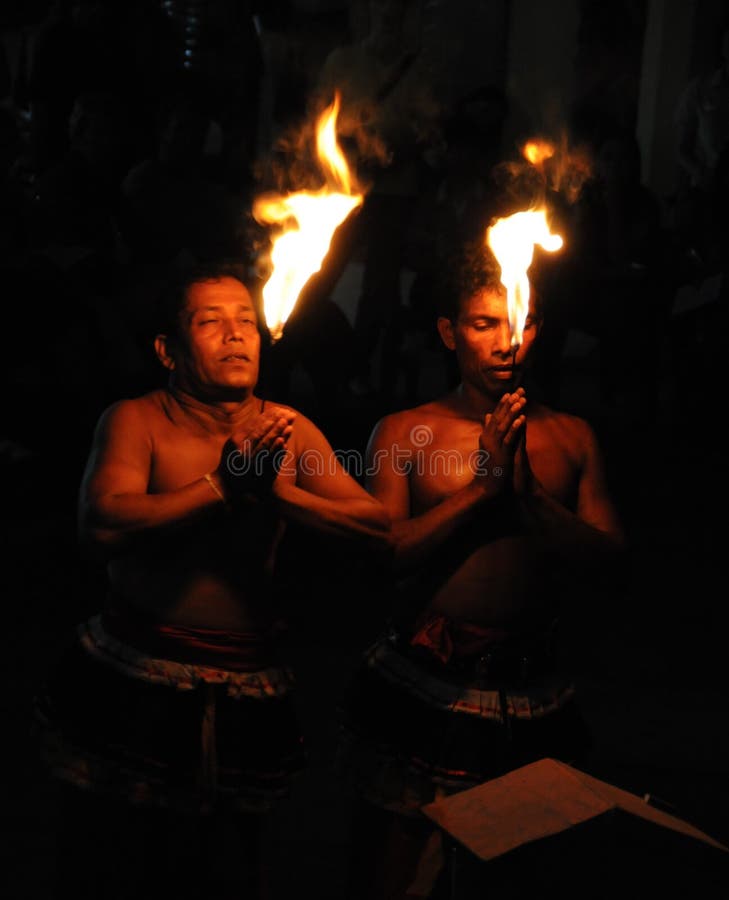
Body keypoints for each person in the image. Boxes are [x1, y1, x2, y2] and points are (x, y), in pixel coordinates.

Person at [32, 259, 389, 900]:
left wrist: (276, 496)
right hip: (138, 676)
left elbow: (376, 529)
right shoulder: (137, 420)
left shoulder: (287, 428)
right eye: (211, 322)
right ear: (168, 350)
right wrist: (223, 487)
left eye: (246, 321)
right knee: (115, 859)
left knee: (227, 867)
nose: (235, 335)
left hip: (247, 683)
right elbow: (101, 526)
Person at [336, 239, 626, 899]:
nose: (505, 342)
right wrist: (481, 491)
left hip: (531, 691)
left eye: (518, 322)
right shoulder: (406, 432)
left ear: (538, 326)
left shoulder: (572, 436)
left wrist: (524, 496)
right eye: (482, 323)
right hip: (424, 686)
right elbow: (384, 555)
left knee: (516, 874)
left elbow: (612, 566)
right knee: (398, 872)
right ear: (447, 332)